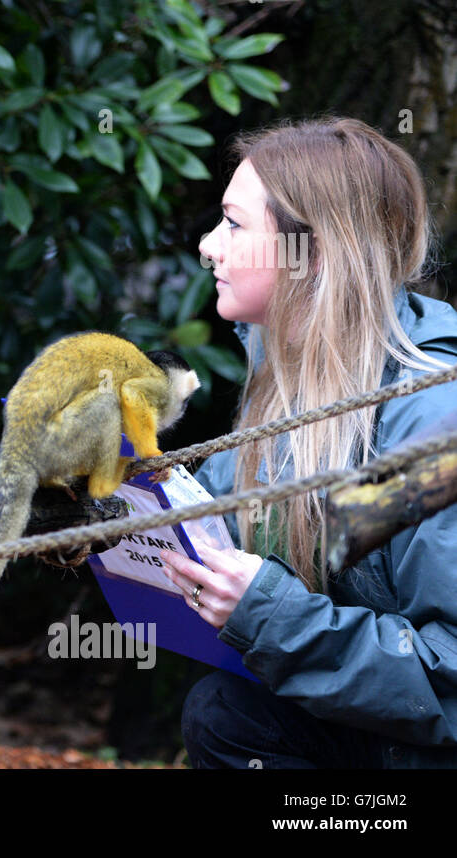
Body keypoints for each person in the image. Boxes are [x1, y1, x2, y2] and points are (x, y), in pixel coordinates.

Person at [159, 117, 457, 768]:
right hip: (378, 743)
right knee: (229, 713)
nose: (208, 246)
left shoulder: (435, 427)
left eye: (235, 225)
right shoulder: (291, 375)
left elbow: (451, 681)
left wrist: (272, 616)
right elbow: (215, 525)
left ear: (313, 253)